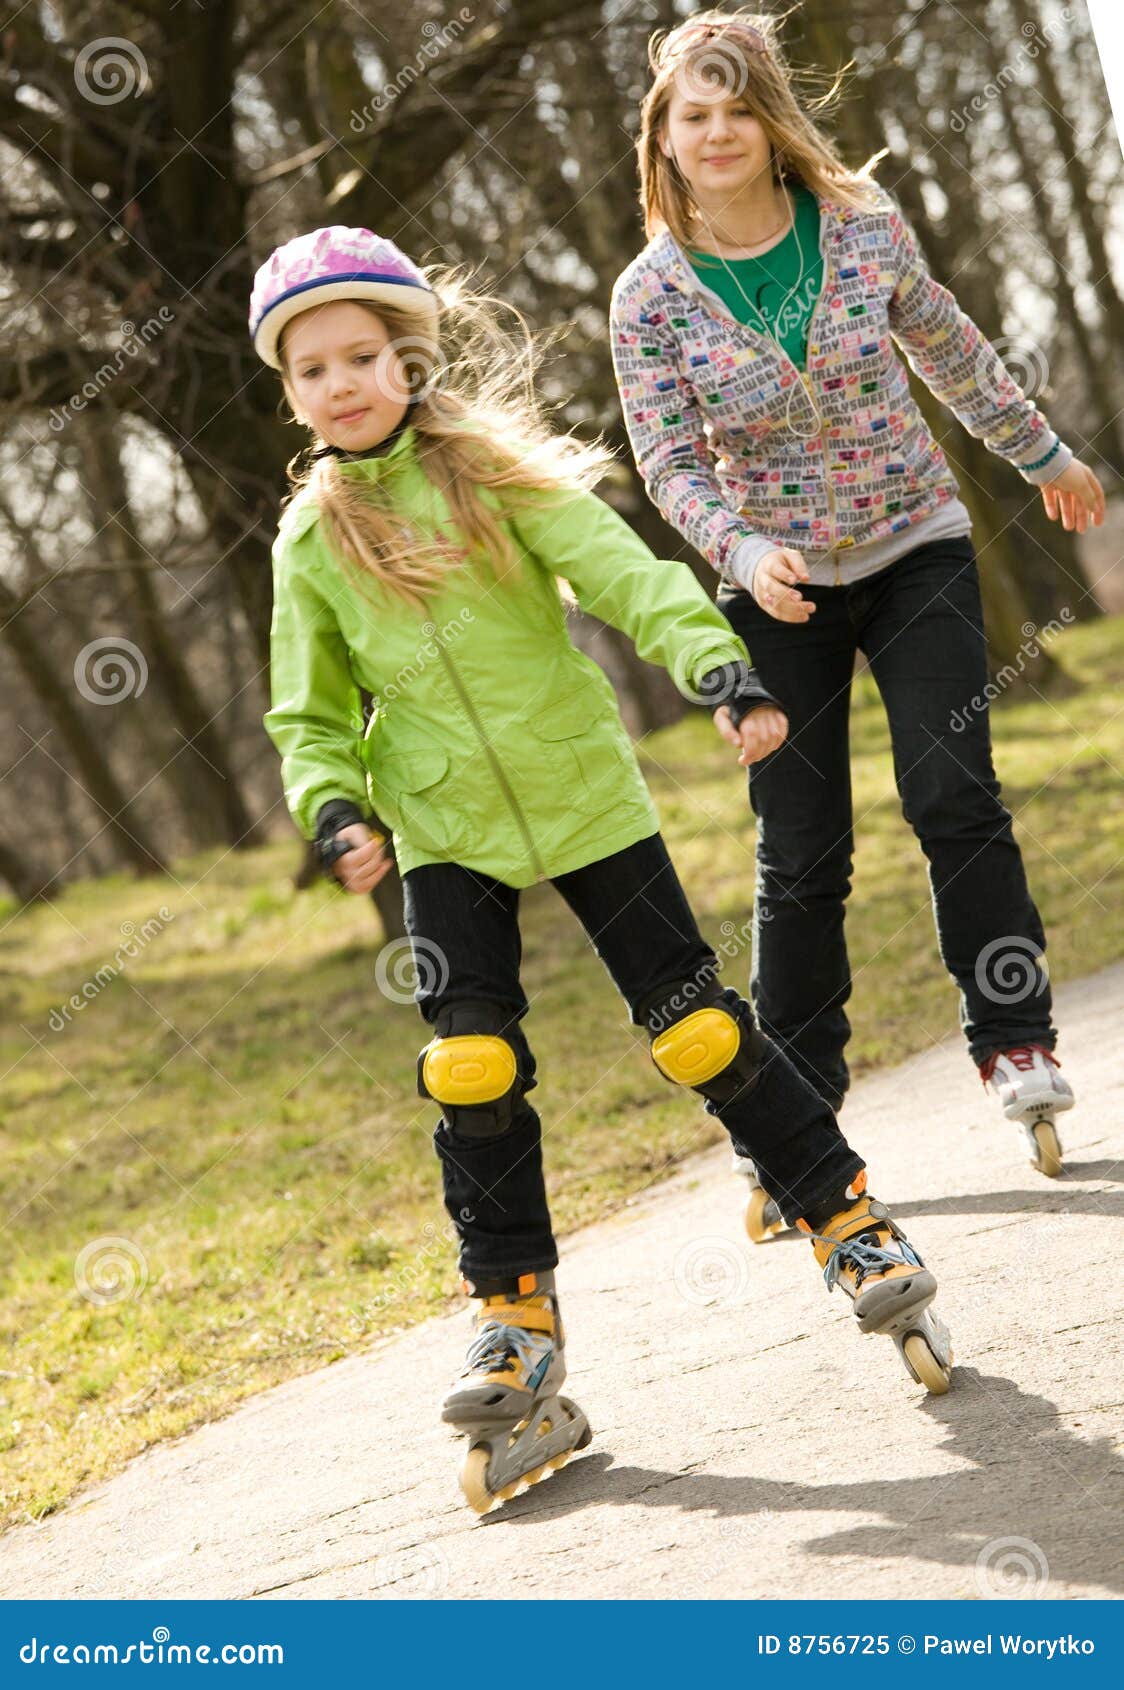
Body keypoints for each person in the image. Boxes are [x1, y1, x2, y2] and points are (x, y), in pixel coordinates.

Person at [250, 227, 954, 1512]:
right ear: (288, 392)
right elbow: (304, 710)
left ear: (408, 360)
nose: (341, 383)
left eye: (364, 356)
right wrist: (334, 806)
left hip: (584, 795)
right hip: (444, 829)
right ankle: (510, 1312)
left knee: (690, 1026)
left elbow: (627, 576)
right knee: (469, 1062)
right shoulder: (310, 541)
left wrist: (716, 668)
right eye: (312, 371)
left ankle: (845, 1219)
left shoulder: (495, 482)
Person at [610, 9, 1105, 1201]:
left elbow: (951, 348)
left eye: (737, 109)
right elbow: (666, 463)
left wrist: (1042, 455)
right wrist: (738, 543)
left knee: (952, 791)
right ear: (663, 140)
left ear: (771, 126)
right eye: (695, 115)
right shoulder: (651, 297)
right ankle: (801, 1117)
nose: (717, 131)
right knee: (801, 851)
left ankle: (1015, 1040)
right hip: (771, 585)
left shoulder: (859, 228)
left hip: (913, 545)